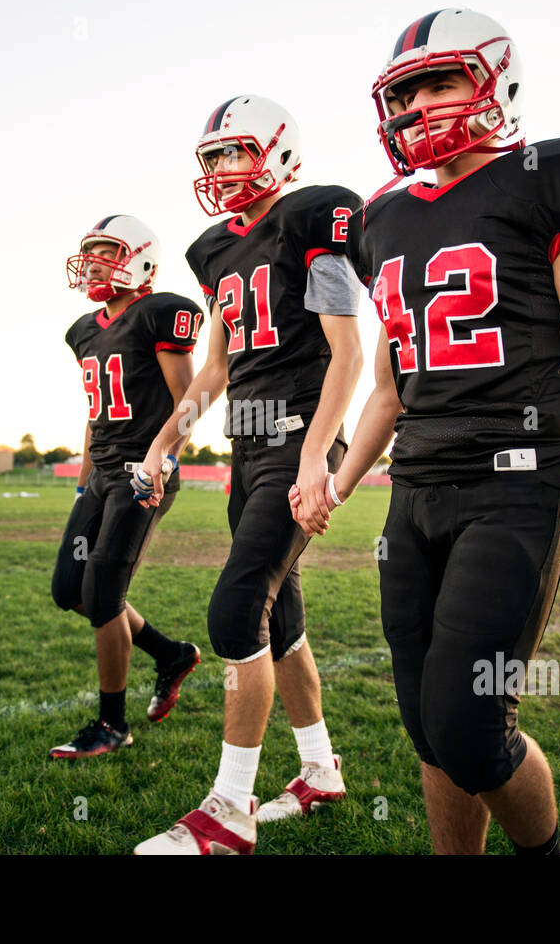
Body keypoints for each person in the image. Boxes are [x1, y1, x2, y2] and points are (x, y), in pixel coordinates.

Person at [308, 8, 560, 855]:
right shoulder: (383, 217)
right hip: (417, 492)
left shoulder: (553, 181)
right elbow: (390, 387)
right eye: (407, 92)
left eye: (441, 82)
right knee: (431, 729)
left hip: (515, 485)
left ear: (495, 81)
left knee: (471, 726)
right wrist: (339, 476)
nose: (421, 106)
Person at [133, 96, 365, 855]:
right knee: (283, 624)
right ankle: (319, 769)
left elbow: (349, 353)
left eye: (236, 153)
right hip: (249, 449)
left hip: (303, 437)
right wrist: (165, 442)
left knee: (236, 610)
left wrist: (313, 455)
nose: (222, 170)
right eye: (213, 158)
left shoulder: (312, 219)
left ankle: (229, 809)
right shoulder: (213, 252)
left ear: (280, 153)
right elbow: (216, 370)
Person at [48, 214, 204, 759]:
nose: (94, 262)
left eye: (108, 251)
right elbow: (94, 413)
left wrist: (162, 462)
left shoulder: (159, 313)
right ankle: (170, 654)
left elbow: (192, 399)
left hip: (142, 471)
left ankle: (112, 725)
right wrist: (83, 476)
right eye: (90, 252)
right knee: (70, 590)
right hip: (101, 476)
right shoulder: (84, 330)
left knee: (102, 597)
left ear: (139, 259)